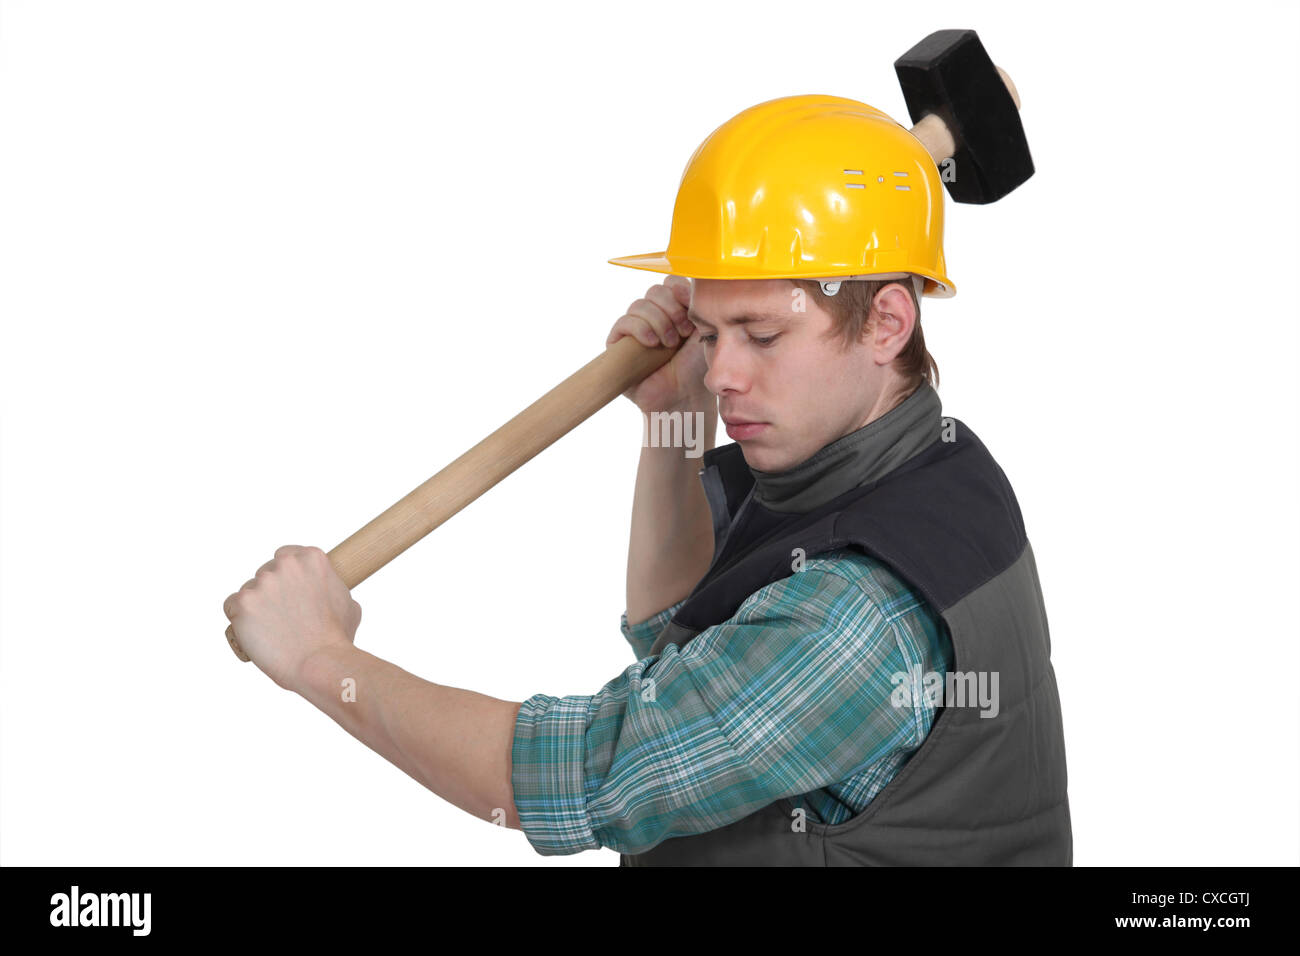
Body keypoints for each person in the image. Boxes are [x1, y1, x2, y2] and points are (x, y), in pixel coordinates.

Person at [223, 94, 1071, 866]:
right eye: (707, 330)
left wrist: (320, 658)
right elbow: (679, 632)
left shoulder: (859, 615)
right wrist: (673, 414)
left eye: (761, 334)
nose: (725, 371)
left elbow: (581, 779)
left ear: (886, 320)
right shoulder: (913, 467)